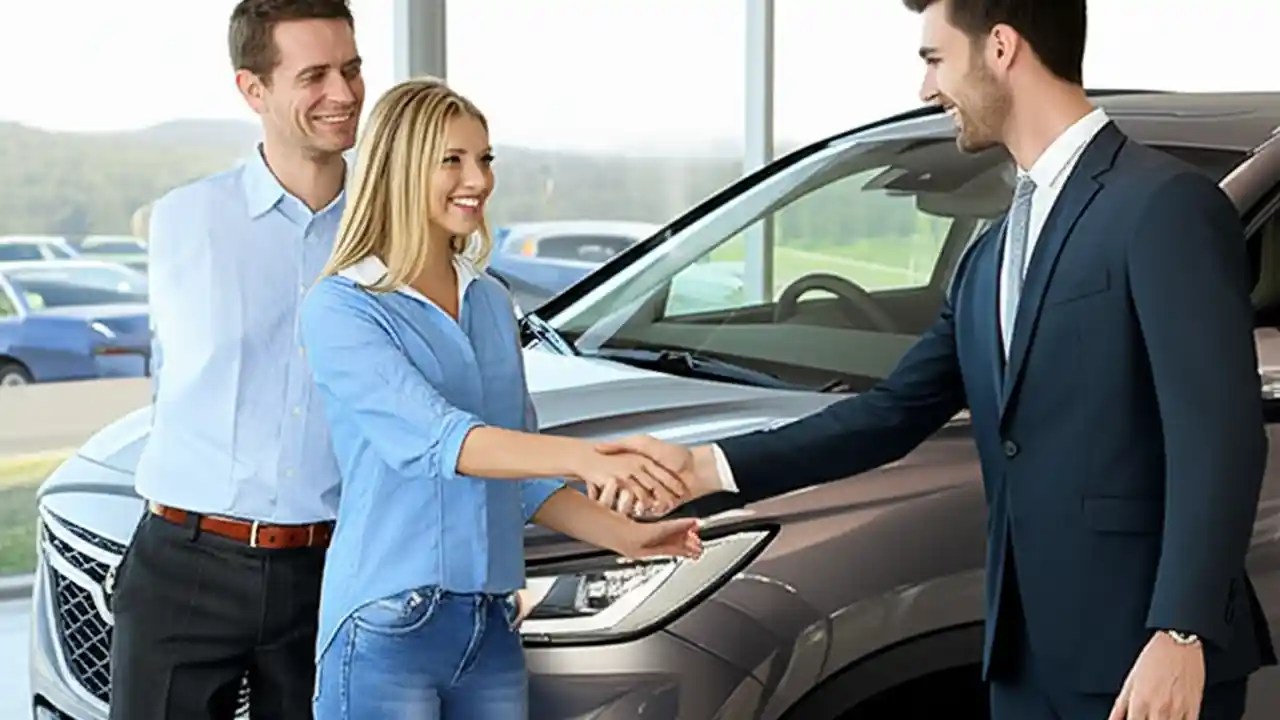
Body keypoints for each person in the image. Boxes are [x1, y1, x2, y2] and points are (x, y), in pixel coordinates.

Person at [599, 1, 1278, 718]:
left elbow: (1219, 436)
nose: (927, 89)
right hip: (1023, 656)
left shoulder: (1166, 206)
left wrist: (1182, 629)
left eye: (933, 59)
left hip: (1144, 657)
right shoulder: (988, 256)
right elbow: (889, 416)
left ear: (1003, 48)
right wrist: (701, 469)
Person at [299, 76, 701, 720]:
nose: (478, 179)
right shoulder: (343, 308)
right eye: (452, 160)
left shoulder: (489, 300)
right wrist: (588, 458)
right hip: (386, 626)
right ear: (400, 169)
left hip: (490, 627)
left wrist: (628, 537)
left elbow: (523, 479)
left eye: (484, 159)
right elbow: (440, 438)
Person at [108, 2, 365, 718]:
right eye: (313, 75)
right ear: (253, 91)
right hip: (186, 565)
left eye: (350, 69)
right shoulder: (184, 220)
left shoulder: (391, 230)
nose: (342, 94)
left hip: (334, 569)